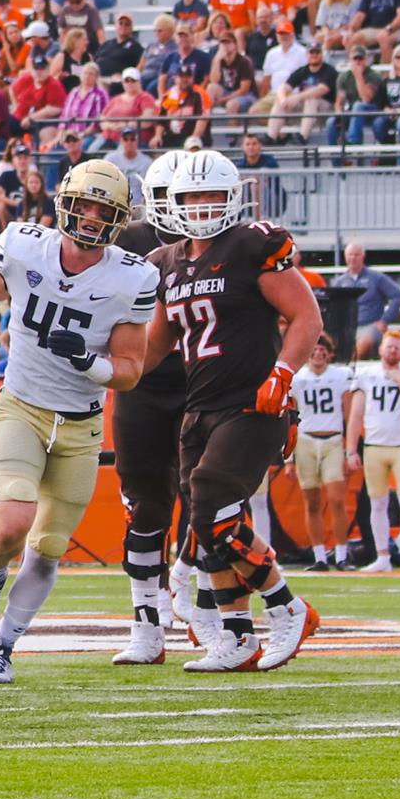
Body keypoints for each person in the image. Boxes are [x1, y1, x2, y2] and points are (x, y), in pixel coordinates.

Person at [0, 161, 156, 684]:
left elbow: (130, 371)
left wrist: (89, 362)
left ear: (119, 218)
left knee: (49, 547)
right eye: (84, 205)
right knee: (11, 526)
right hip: (23, 406)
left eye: (103, 210)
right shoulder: (23, 246)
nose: (91, 217)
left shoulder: (133, 277)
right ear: (65, 204)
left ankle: (3, 646)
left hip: (82, 426)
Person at [150, 152, 321, 671]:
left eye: (212, 196)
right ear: (174, 202)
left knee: (210, 505)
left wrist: (283, 374)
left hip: (253, 401)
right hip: (199, 405)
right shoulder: (166, 262)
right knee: (211, 523)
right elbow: (154, 346)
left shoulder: (250, 245)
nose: (202, 206)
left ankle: (287, 606)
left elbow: (306, 316)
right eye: (191, 197)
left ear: (233, 198)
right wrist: (99, 366)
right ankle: (238, 636)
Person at [109, 152, 193, 659]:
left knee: (208, 493)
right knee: (146, 502)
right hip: (140, 379)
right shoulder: (128, 240)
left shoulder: (228, 243)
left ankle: (192, 586)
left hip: (202, 380)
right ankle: (148, 615)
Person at [347, 332, 400, 573]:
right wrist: (351, 450)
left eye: (397, 347)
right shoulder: (366, 375)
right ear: (381, 349)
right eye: (389, 346)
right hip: (374, 446)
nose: (393, 350)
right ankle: (382, 556)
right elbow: (356, 415)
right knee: (377, 503)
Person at [288, 335, 354, 571]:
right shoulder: (297, 378)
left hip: (333, 440)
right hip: (305, 441)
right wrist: (289, 458)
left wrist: (350, 449)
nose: (318, 353)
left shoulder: (340, 376)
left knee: (337, 499)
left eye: (323, 349)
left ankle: (341, 556)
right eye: (314, 349)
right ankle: (319, 557)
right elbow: (290, 417)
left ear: (330, 353)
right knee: (312, 503)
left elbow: (349, 415)